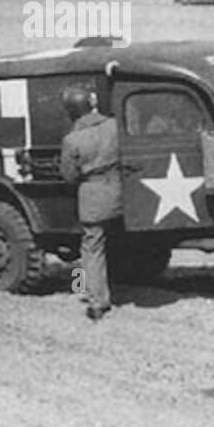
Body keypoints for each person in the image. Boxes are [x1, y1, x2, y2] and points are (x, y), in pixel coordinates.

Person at [59, 87, 122, 321]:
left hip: (92, 198)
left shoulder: (72, 139)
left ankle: (97, 302)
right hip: (119, 193)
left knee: (92, 248)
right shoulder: (114, 126)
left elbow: (68, 176)